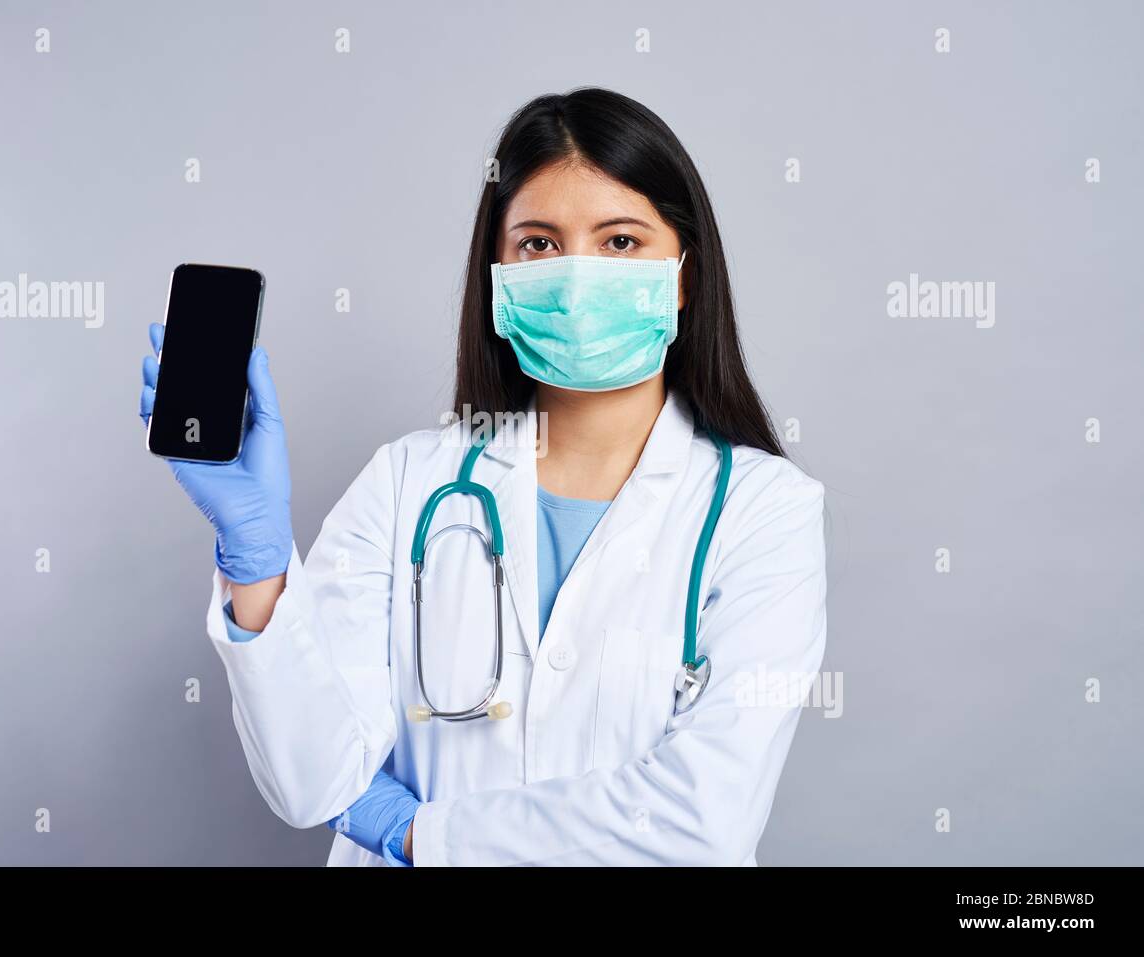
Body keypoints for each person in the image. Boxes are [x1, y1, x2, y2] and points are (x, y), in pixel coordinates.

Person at [139, 88, 826, 866]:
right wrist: (255, 562)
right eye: (538, 244)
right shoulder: (407, 483)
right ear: (497, 276)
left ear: (683, 277)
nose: (574, 279)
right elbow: (312, 781)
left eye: (621, 242)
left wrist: (417, 833)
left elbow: (702, 819)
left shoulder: (765, 511)